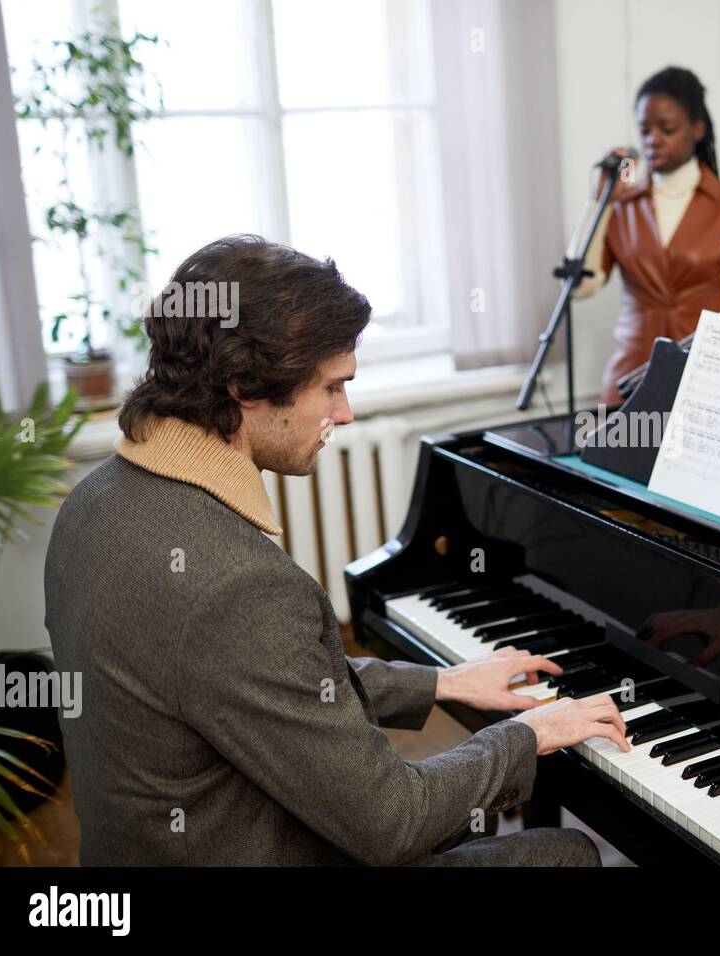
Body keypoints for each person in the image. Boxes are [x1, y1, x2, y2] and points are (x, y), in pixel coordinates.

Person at [44, 234, 630, 866]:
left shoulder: (93, 502)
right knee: (564, 854)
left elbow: (262, 681)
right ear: (244, 386)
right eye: (331, 387)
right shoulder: (236, 586)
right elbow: (393, 823)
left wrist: (442, 682)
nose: (345, 413)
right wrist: (528, 734)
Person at [574, 66, 720, 405]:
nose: (653, 139)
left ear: (697, 129)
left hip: (706, 384)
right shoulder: (622, 205)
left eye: (666, 129)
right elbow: (580, 286)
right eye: (644, 130)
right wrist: (599, 203)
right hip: (628, 385)